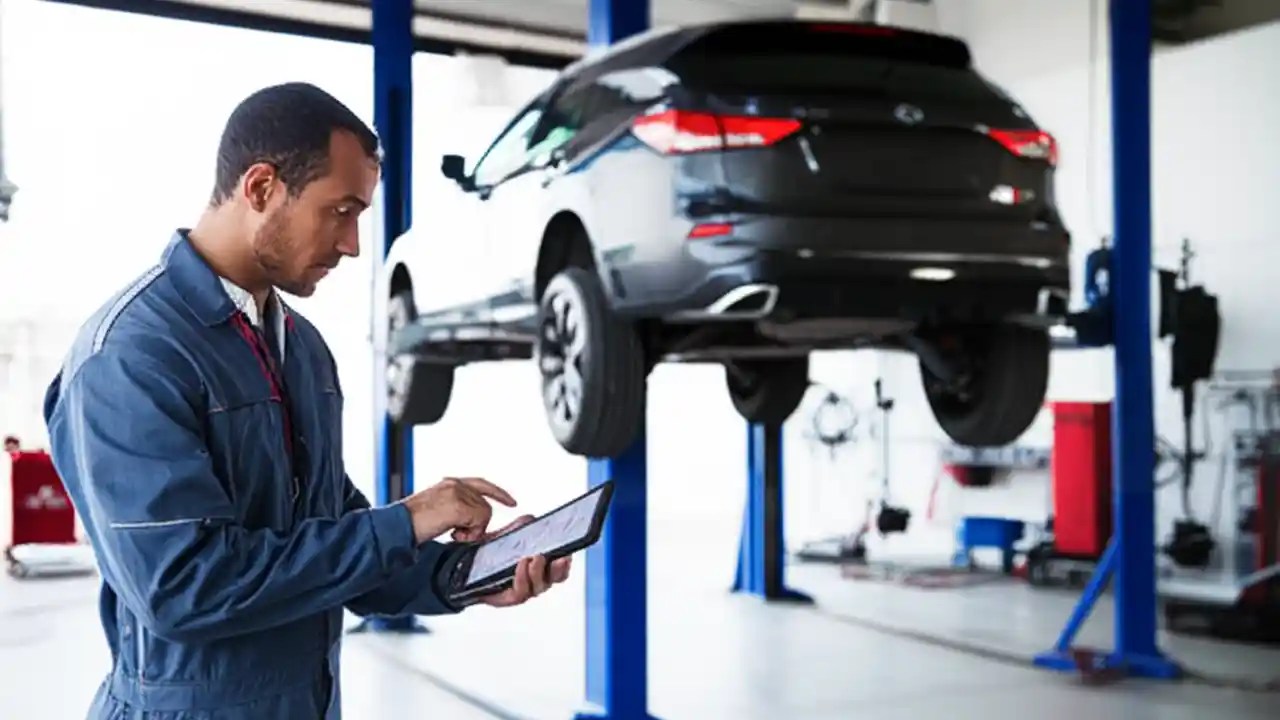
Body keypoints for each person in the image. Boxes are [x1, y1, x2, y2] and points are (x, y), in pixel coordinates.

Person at [42, 82, 570, 720]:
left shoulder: (302, 346)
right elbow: (183, 588)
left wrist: (465, 572)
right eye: (340, 211)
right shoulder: (130, 355)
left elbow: (328, 536)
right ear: (261, 187)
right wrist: (403, 521)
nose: (351, 244)